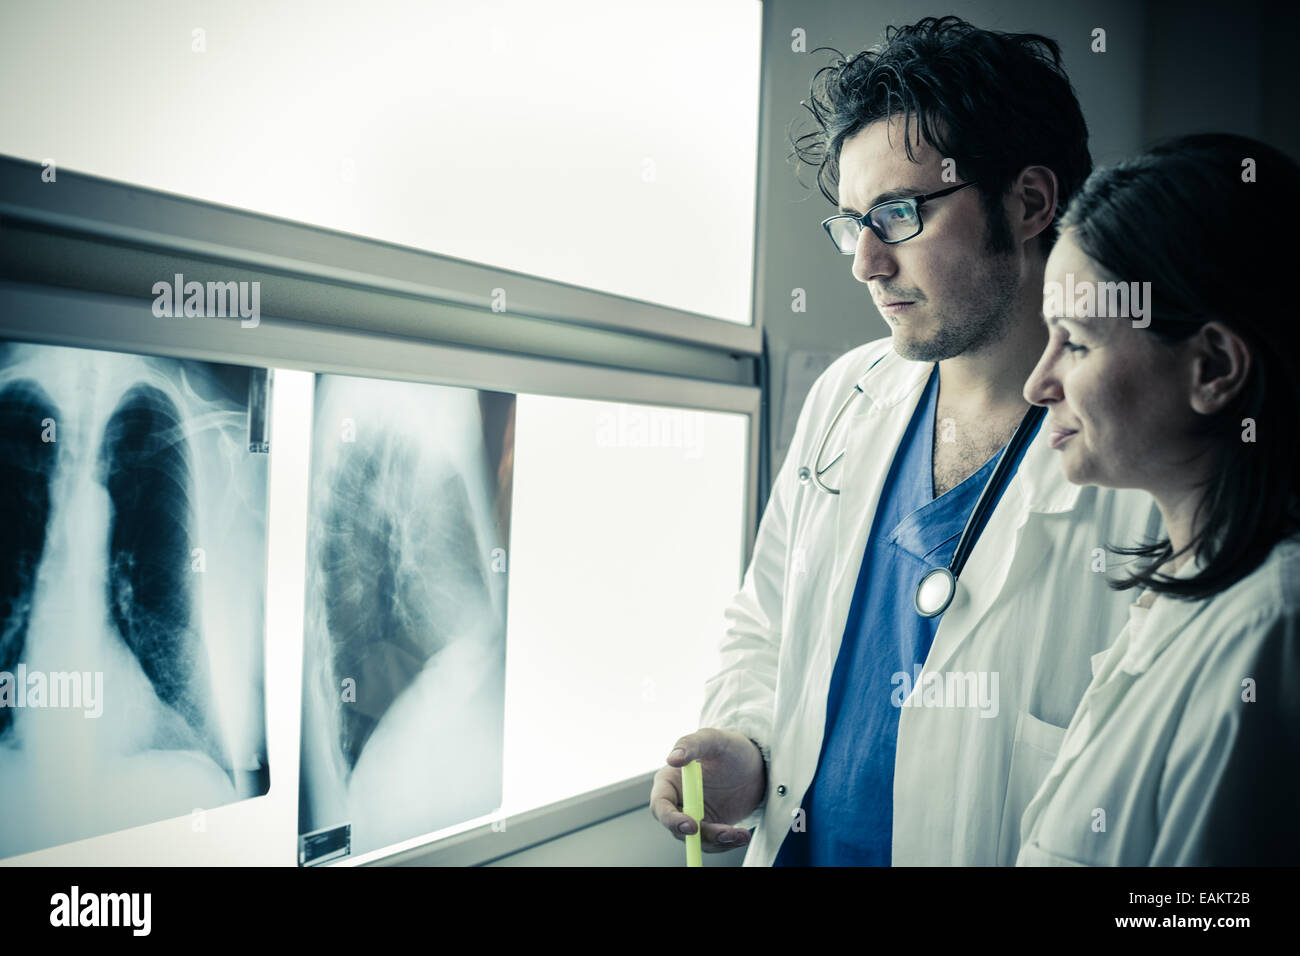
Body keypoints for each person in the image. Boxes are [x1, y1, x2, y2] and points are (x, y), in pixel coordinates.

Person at [649, 16, 1159, 865]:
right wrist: (746, 741)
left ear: (1030, 203)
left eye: (897, 214)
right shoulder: (848, 396)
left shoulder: (1139, 458)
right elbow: (765, 620)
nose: (865, 263)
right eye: (853, 222)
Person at [1016, 133, 1300, 865]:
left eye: (1074, 342)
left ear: (1212, 367)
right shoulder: (1184, 591)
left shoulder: (1271, 631)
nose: (1037, 384)